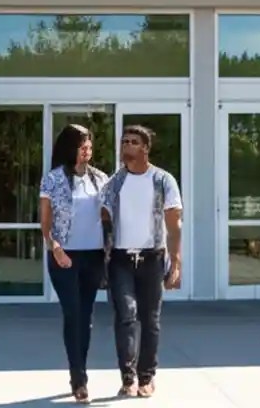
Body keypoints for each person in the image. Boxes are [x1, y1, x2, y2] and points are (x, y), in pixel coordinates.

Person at [98, 124, 182, 399]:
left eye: (133, 142)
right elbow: (102, 216)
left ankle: (147, 376)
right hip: (121, 258)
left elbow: (174, 224)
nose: (127, 146)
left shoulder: (163, 180)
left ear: (146, 148)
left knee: (150, 320)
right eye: (124, 142)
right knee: (125, 316)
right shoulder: (114, 183)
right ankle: (128, 377)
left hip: (152, 258)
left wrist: (176, 263)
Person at [39, 123, 110, 404]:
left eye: (90, 145)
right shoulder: (53, 179)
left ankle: (80, 371)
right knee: (73, 313)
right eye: (82, 145)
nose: (87, 150)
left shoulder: (101, 179)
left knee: (86, 316)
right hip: (64, 255)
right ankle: (78, 377)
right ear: (70, 147)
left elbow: (108, 215)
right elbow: (45, 222)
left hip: (93, 256)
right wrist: (54, 246)